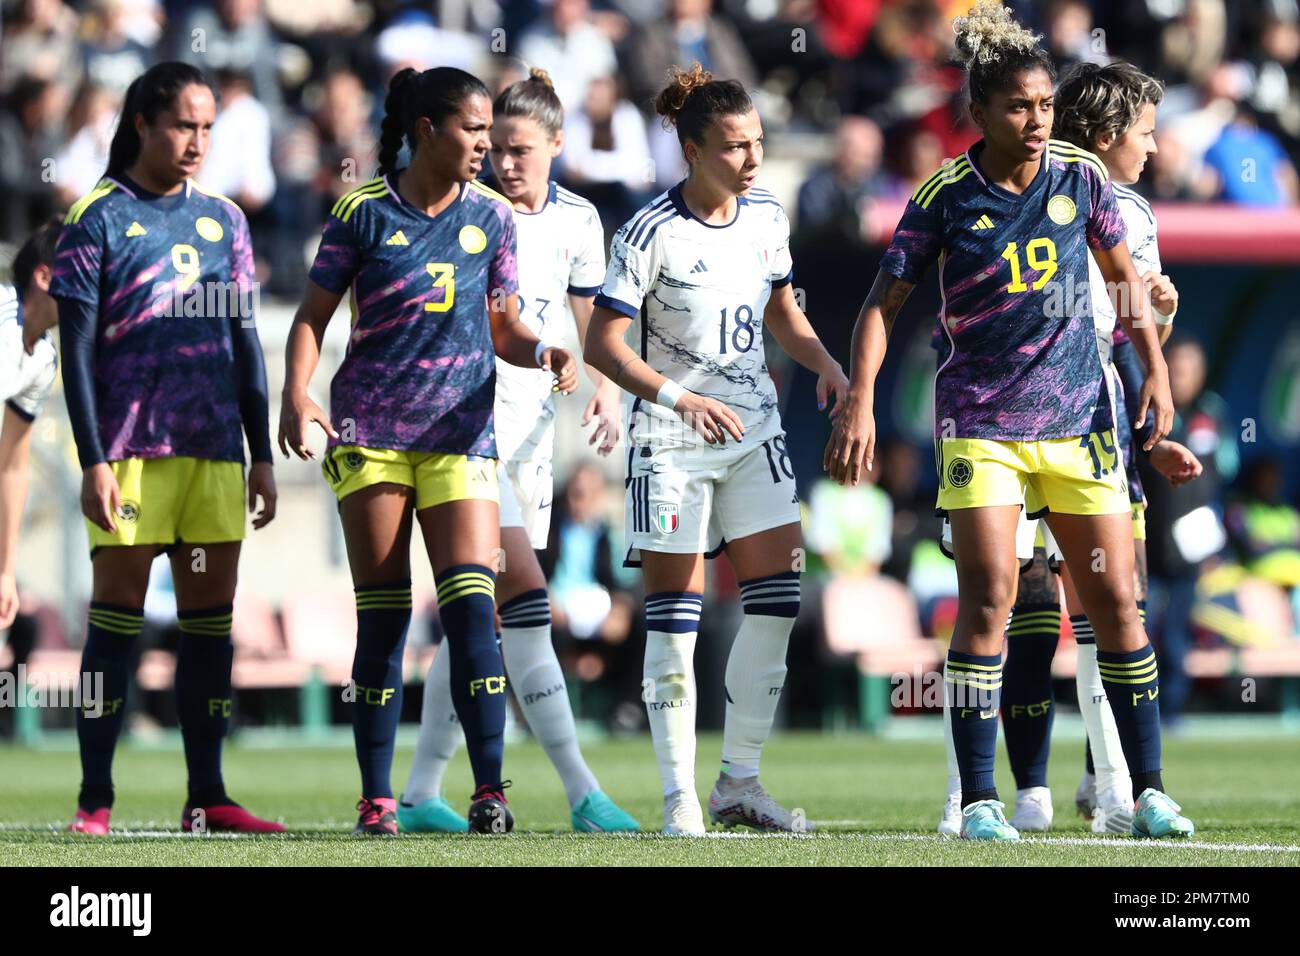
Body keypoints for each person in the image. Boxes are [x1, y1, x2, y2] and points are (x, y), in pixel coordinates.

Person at [825, 1, 1194, 841]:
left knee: (1117, 605)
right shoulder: (946, 195)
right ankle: (983, 799)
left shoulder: (1083, 178)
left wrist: (1158, 369)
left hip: (1079, 428)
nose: (1036, 122)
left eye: (1046, 106)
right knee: (990, 600)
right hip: (983, 428)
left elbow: (1124, 276)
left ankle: (1146, 793)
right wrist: (861, 398)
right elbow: (883, 306)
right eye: (1019, 107)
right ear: (981, 112)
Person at [278, 66, 578, 836]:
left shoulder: (493, 219)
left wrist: (542, 350)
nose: (487, 144)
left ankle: (490, 793)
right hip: (372, 437)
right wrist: (297, 392)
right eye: (474, 130)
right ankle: (378, 800)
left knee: (475, 613)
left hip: (461, 437)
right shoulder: (361, 214)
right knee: (381, 621)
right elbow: (311, 316)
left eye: (490, 131)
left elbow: (505, 324)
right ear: (425, 132)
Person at [584, 63, 849, 834]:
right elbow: (603, 345)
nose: (753, 159)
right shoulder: (647, 232)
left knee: (777, 603)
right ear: (692, 150)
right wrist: (679, 397)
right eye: (735, 147)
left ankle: (739, 781)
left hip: (753, 431)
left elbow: (783, 314)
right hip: (670, 439)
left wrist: (826, 362)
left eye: (758, 143)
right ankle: (678, 797)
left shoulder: (767, 216)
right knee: (675, 620)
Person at [398, 68, 639, 834]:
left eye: (520, 149)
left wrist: (607, 388)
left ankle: (418, 792)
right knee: (526, 604)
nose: (504, 162)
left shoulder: (578, 222)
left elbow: (593, 325)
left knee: (480, 619)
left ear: (557, 145)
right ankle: (581, 791)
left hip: (532, 437)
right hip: (465, 434)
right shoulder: (466, 214)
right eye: (494, 147)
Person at [51, 62, 281, 835]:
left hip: (213, 451)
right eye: (184, 124)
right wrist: (92, 460)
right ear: (144, 122)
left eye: (208, 126)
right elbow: (74, 354)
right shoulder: (98, 219)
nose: (197, 141)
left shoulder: (228, 220)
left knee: (209, 631)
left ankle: (207, 795)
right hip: (129, 454)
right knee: (112, 625)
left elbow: (247, 344)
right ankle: (94, 800)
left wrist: (261, 454)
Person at [1, 221, 61, 631]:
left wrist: (6, 570)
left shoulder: (44, 358)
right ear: (44, 276)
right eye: (86, 272)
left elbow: (13, 465)